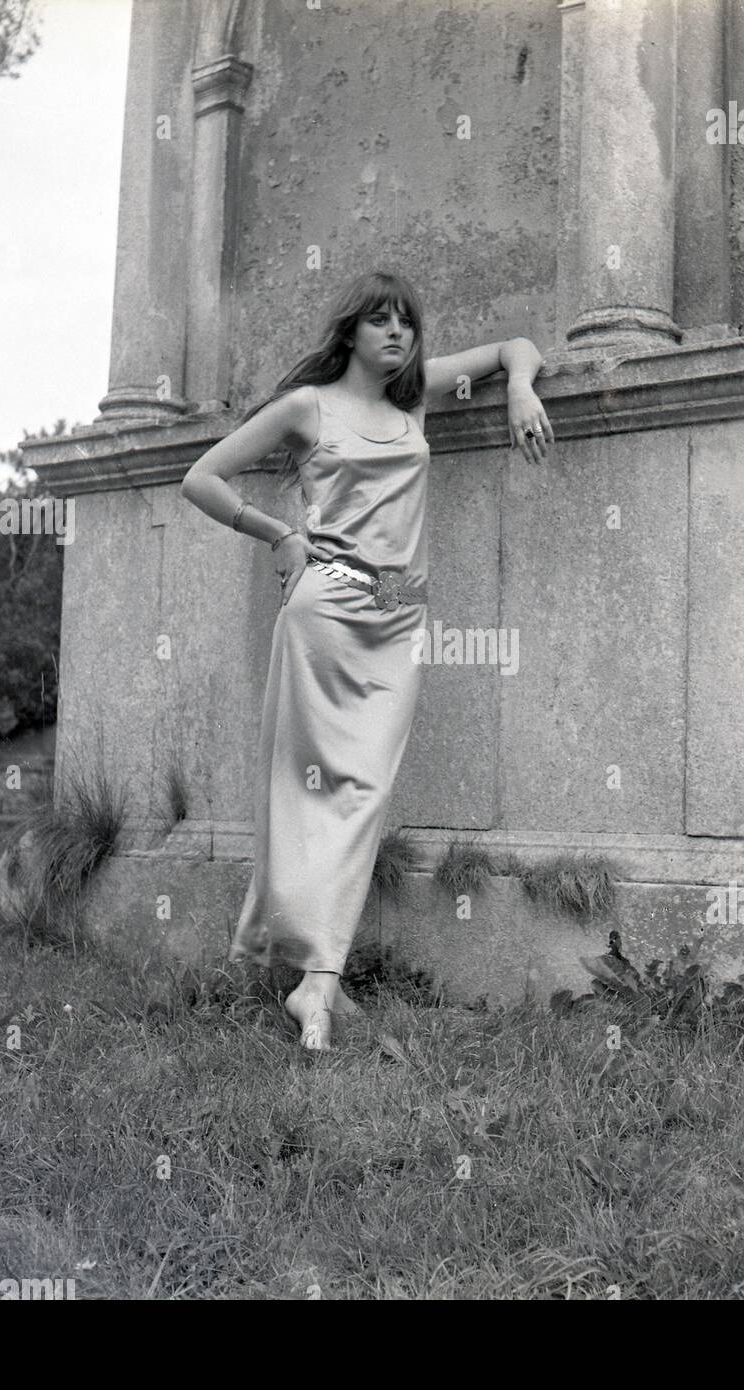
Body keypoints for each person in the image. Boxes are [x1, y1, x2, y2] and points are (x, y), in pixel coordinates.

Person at [181, 269, 552, 1050]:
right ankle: (319, 982)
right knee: (309, 790)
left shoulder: (414, 399)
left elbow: (516, 347)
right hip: (326, 613)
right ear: (349, 331)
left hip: (399, 622)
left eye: (408, 323)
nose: (398, 334)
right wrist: (276, 533)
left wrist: (521, 388)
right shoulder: (306, 407)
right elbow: (201, 479)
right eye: (380, 322)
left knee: (364, 792)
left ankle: (314, 979)